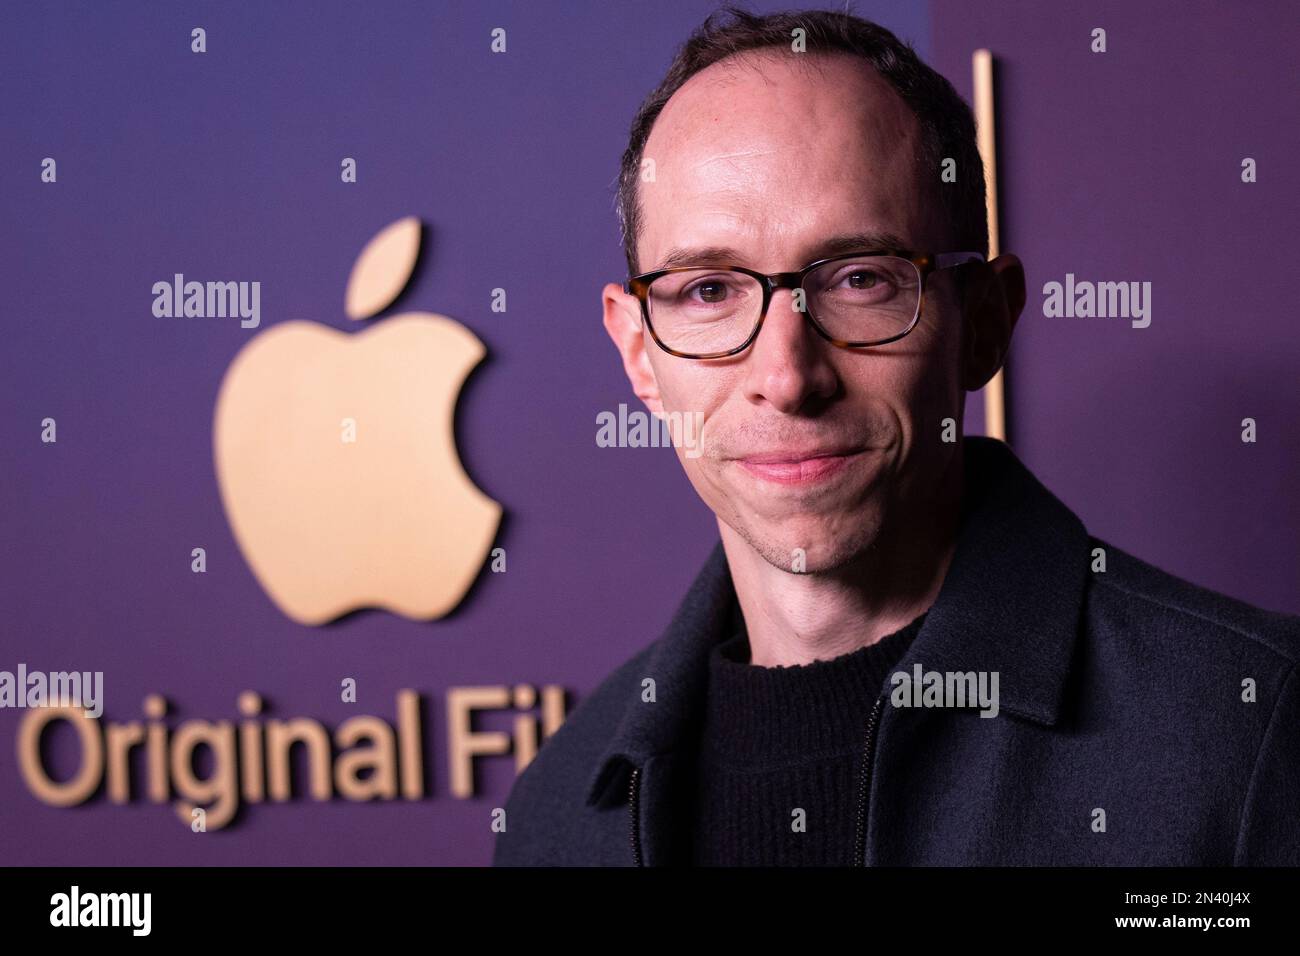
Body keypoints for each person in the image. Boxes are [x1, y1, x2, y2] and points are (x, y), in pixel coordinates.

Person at [492, 6, 1300, 866]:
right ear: (638, 354)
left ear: (985, 323)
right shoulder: (560, 807)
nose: (788, 375)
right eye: (707, 291)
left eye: (860, 279)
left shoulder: (1255, 731)